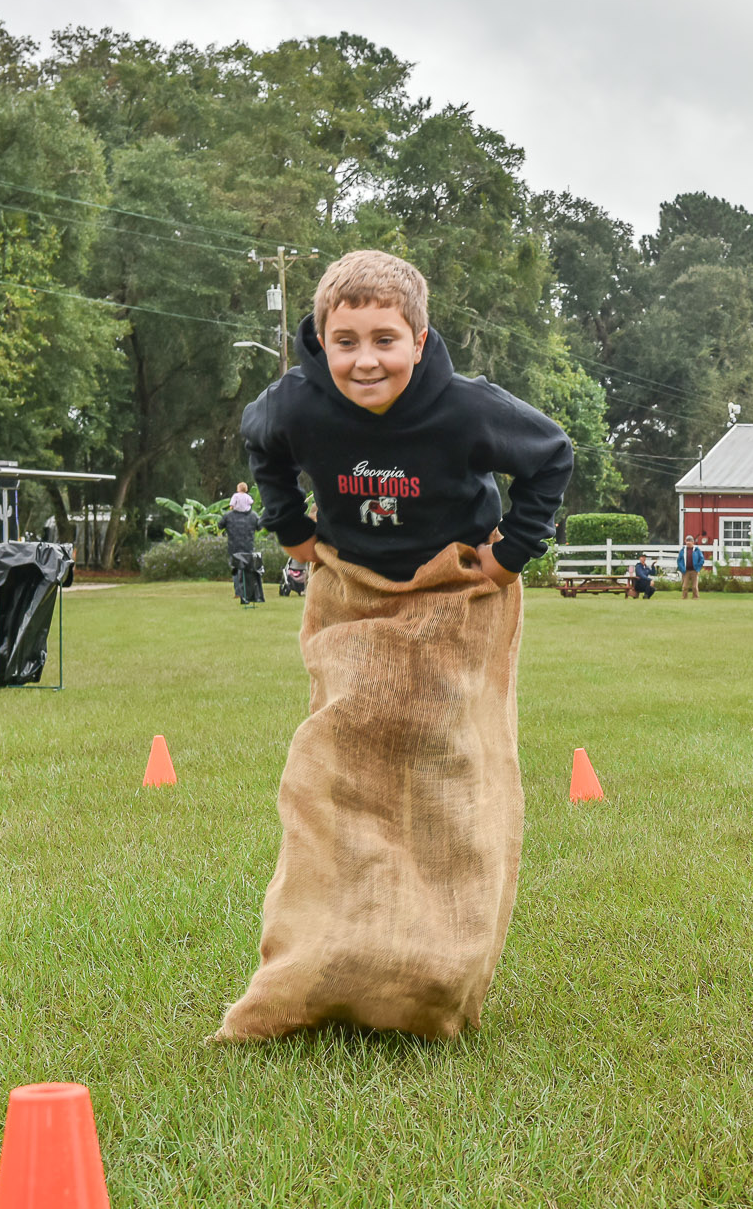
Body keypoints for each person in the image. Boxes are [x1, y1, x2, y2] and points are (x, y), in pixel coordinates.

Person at [216, 250, 573, 1042]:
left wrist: (513, 553)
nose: (365, 359)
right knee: (331, 759)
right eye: (345, 341)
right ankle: (325, 956)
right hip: (354, 593)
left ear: (419, 337)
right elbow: (261, 443)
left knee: (444, 767)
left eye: (385, 339)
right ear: (321, 339)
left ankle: (434, 968)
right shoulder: (297, 403)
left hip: (452, 595)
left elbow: (551, 455)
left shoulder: (467, 408)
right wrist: (291, 527)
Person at [218, 485, 266, 605]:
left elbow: (220, 525)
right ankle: (247, 593)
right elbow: (259, 527)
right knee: (247, 570)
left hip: (233, 546)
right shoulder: (253, 515)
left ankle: (238, 592)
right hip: (248, 546)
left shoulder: (228, 516)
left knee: (235, 569)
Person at [677, 534, 706, 599]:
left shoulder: (697, 550)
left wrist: (698, 568)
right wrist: (682, 568)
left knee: (694, 586)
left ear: (693, 542)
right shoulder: (683, 550)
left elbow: (701, 559)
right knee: (685, 586)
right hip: (686, 571)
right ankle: (684, 597)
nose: (688, 542)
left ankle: (695, 597)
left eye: (690, 541)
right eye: (687, 541)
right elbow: (679, 560)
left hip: (694, 570)